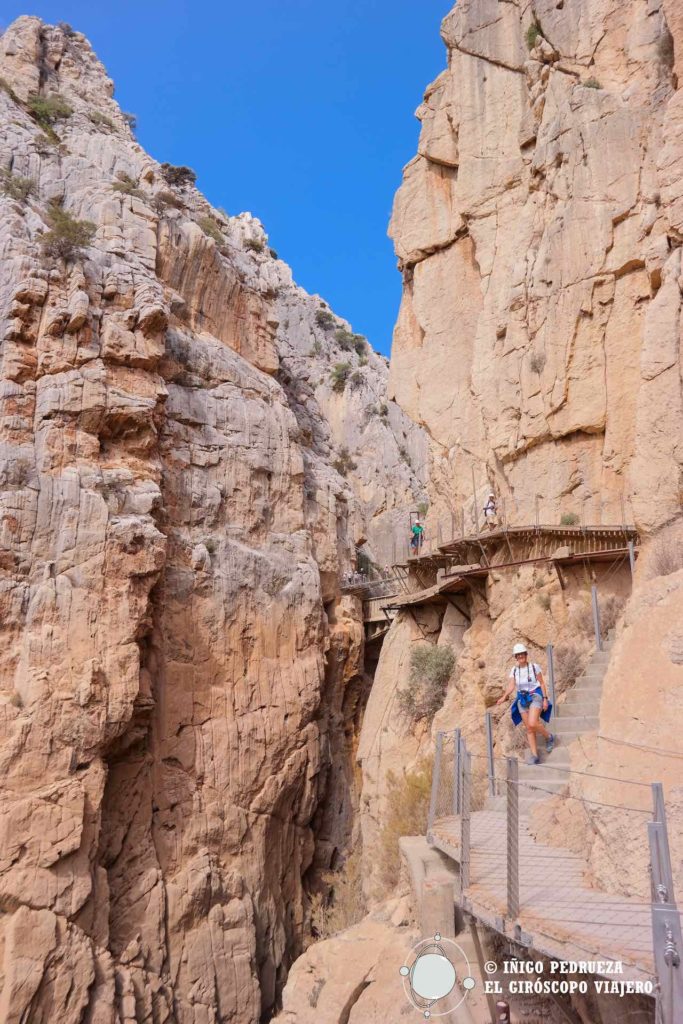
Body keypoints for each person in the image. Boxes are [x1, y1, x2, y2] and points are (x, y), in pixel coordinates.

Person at [496, 643, 555, 764]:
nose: (521, 656)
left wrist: (544, 698)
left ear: (526, 655)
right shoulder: (514, 670)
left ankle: (549, 737)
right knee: (529, 728)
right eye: (518, 655)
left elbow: (542, 683)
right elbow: (512, 685)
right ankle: (535, 756)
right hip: (522, 699)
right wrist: (504, 696)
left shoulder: (534, 667)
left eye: (522, 654)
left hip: (535, 696)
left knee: (533, 723)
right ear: (515, 657)